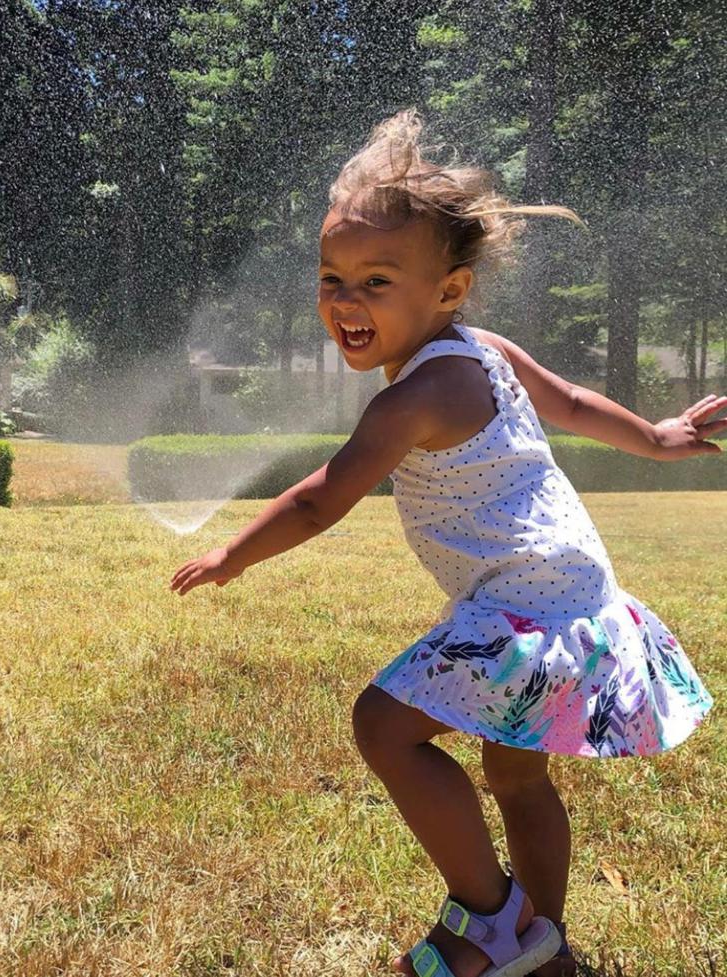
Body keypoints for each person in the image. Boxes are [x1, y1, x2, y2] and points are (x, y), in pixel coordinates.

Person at [170, 108, 719, 977]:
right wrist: (656, 436)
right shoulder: (483, 350)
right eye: (331, 277)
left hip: (528, 608)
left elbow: (319, 500)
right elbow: (572, 403)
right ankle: (542, 948)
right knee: (519, 777)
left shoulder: (412, 400)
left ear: (449, 290)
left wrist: (231, 554)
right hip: (575, 594)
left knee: (383, 726)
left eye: (376, 280)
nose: (346, 300)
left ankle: (492, 923)